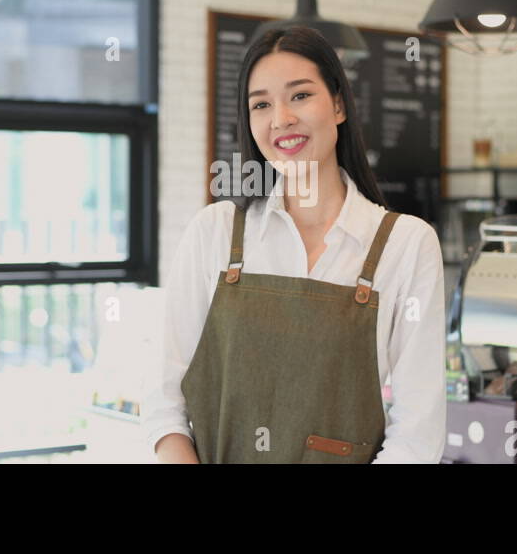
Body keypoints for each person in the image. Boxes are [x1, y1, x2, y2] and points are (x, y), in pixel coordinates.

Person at [140, 25, 446, 463]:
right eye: (261, 104)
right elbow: (163, 401)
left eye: (300, 95)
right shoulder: (215, 232)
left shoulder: (406, 244)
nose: (281, 118)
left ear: (338, 105)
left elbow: (418, 432)